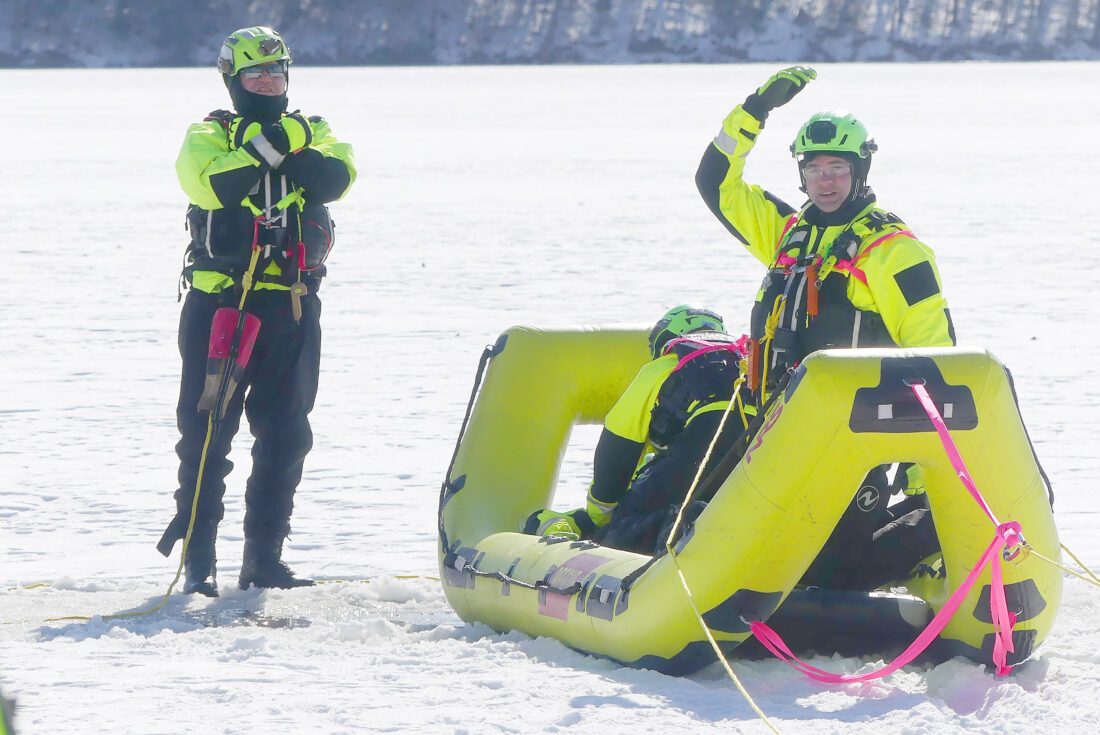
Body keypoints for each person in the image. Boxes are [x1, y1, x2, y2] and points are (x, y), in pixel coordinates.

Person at [693, 66, 950, 589]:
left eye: (838, 167)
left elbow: (937, 359)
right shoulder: (790, 234)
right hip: (772, 432)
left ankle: (931, 535)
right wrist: (755, 110)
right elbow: (715, 184)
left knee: (831, 572)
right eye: (815, 170)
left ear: (860, 171)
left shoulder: (895, 251)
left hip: (849, 443)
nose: (826, 180)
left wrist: (926, 471)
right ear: (802, 176)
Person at [156, 26, 356, 596]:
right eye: (255, 73)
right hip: (221, 304)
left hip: (290, 303)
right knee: (205, 432)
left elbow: (334, 177)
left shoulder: (316, 129)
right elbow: (217, 185)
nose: (268, 81)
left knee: (286, 433)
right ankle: (199, 563)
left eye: (276, 71)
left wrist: (285, 142)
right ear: (233, 80)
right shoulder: (208, 133)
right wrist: (279, 144)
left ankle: (263, 560)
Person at [525, 306, 752, 556]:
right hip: (756, 463)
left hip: (692, 461)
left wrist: (600, 516)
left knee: (624, 529)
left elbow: (618, 449)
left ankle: (671, 537)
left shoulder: (663, 367)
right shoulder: (753, 363)